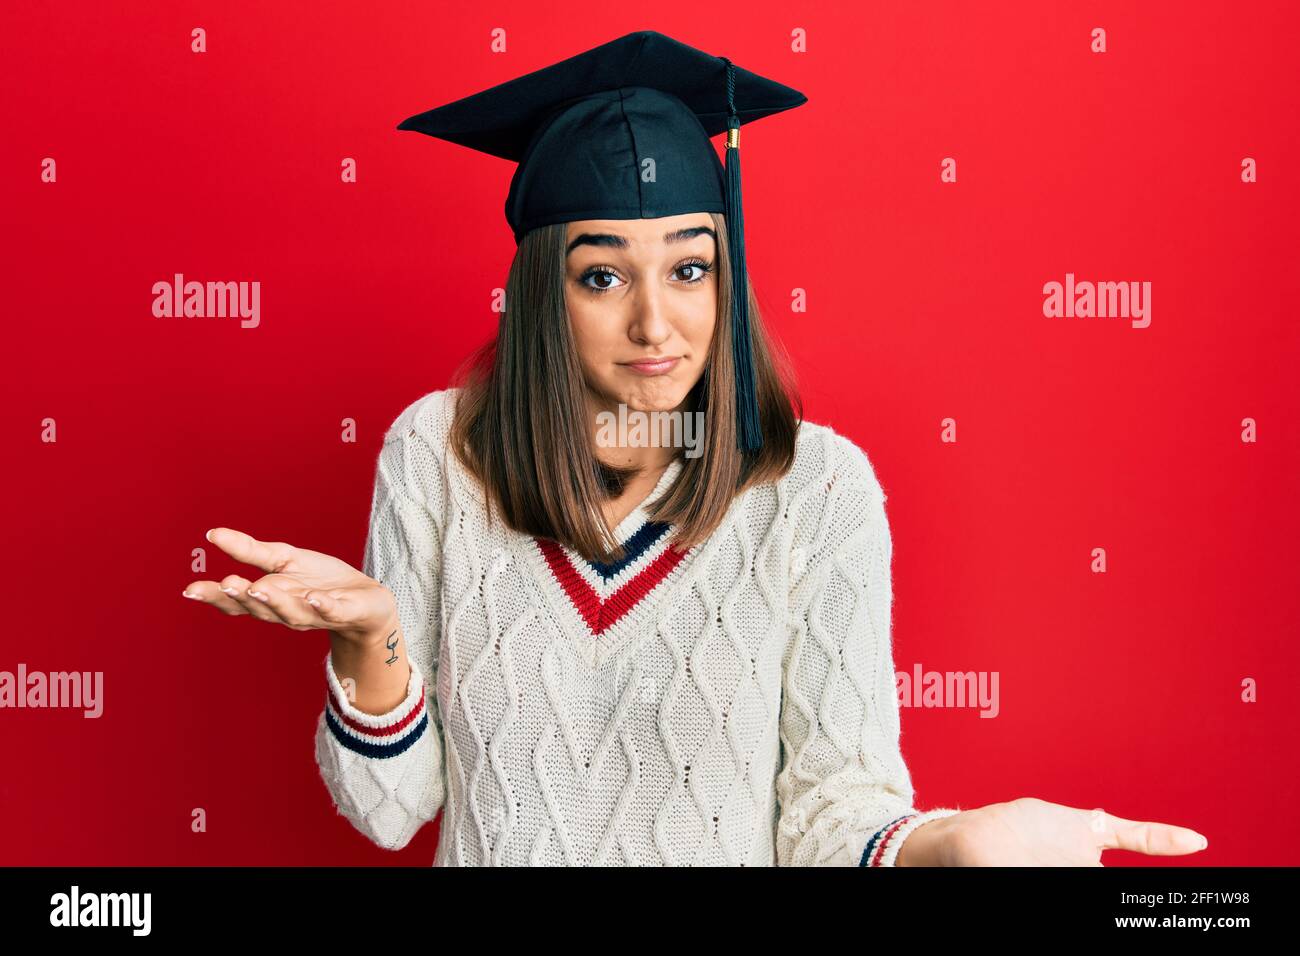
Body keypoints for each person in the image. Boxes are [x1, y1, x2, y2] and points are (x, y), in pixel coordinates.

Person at [182, 30, 1208, 866]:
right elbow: (385, 808)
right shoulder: (434, 456)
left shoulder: (818, 490)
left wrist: (947, 848)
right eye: (601, 276)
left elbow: (830, 812)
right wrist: (371, 641)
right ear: (544, 289)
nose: (655, 324)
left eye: (688, 267)